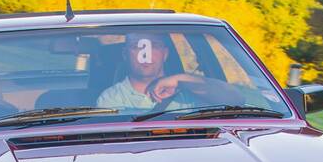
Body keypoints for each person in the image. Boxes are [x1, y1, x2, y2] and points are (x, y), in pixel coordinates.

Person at [95, 31, 240, 110]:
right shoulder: (110, 99)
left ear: (165, 54)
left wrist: (180, 80)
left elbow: (235, 100)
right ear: (125, 54)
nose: (146, 54)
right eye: (137, 47)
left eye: (154, 46)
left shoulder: (188, 90)